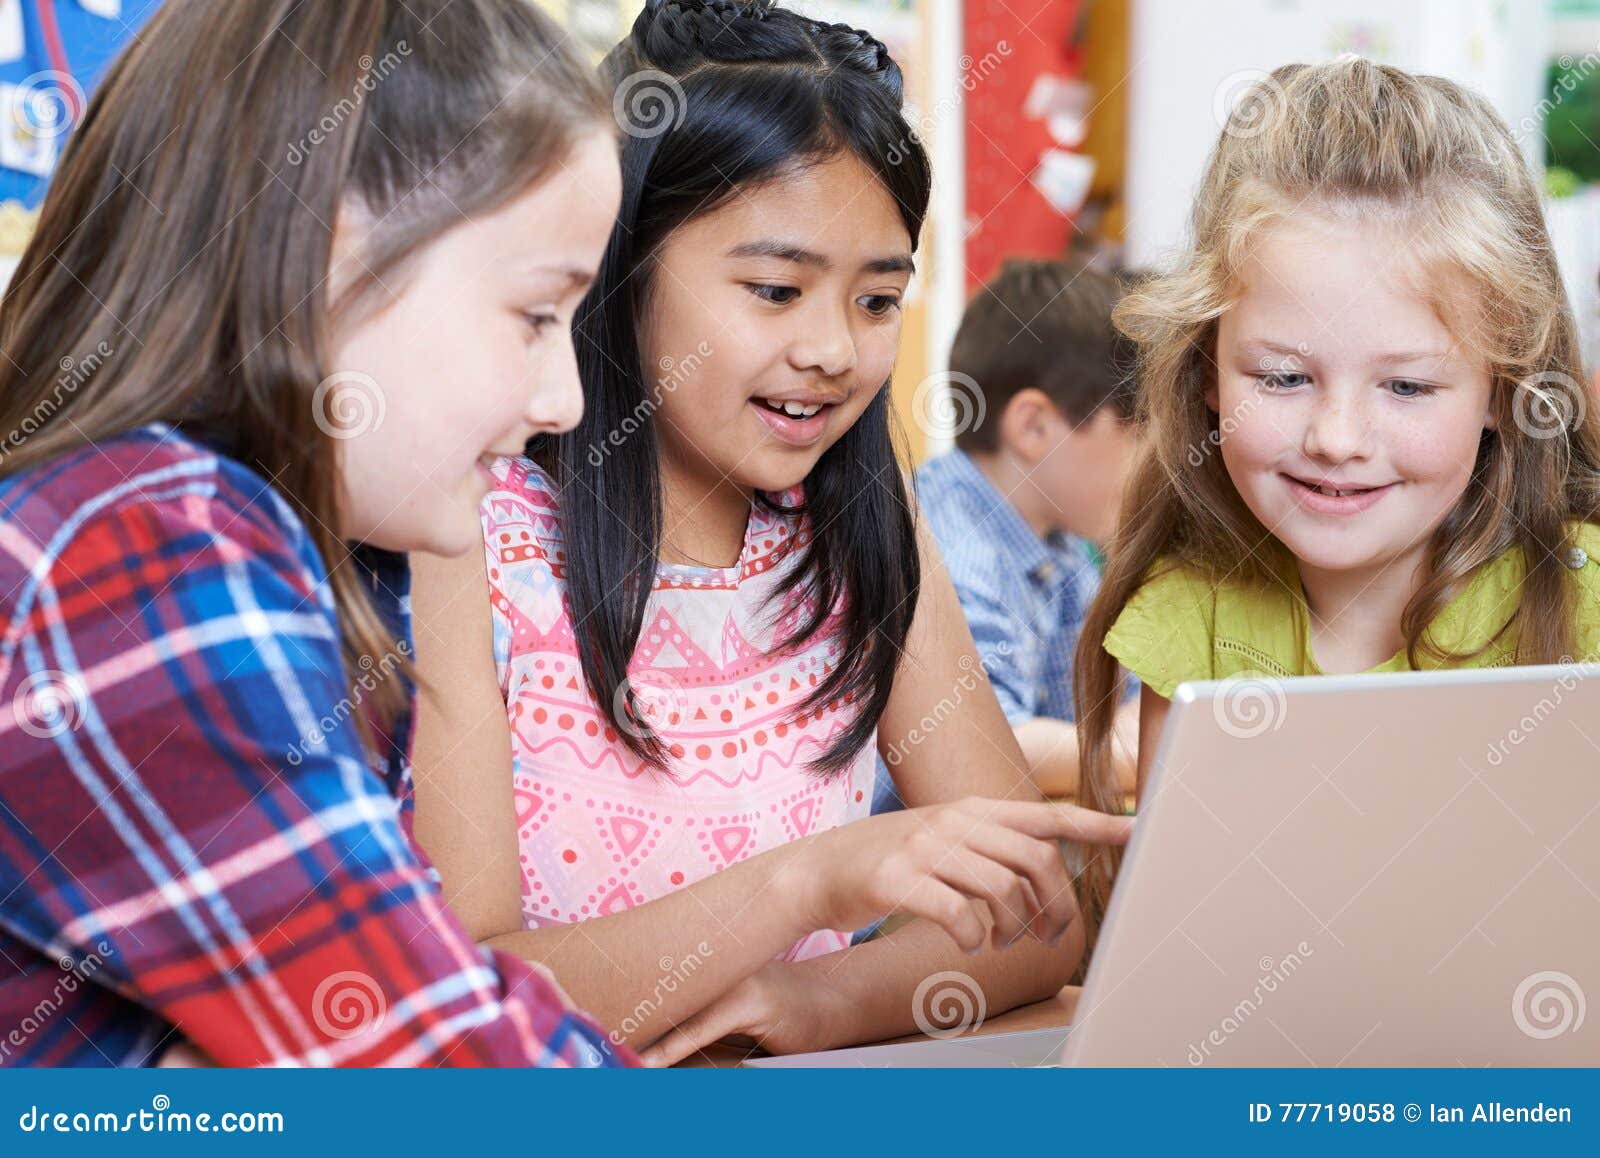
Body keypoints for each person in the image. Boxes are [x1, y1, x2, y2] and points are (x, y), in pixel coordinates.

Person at [410, 0, 1132, 1067]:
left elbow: (1037, 922)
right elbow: (464, 1004)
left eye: (878, 301)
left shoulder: (859, 526)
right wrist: (810, 882)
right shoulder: (465, 529)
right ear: (619, 265)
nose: (833, 349)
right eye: (775, 289)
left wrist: (811, 1001)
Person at [0, 0, 630, 1067]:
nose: (565, 399)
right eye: (534, 316)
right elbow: (450, 1064)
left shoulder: (278, 536)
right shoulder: (140, 551)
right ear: (328, 258)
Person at [1072, 57, 1600, 954]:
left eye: (1406, 386)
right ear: (1206, 374)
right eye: (1281, 377)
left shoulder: (1582, 604)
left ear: (1502, 394)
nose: (1338, 438)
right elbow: (1189, 947)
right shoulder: (1190, 620)